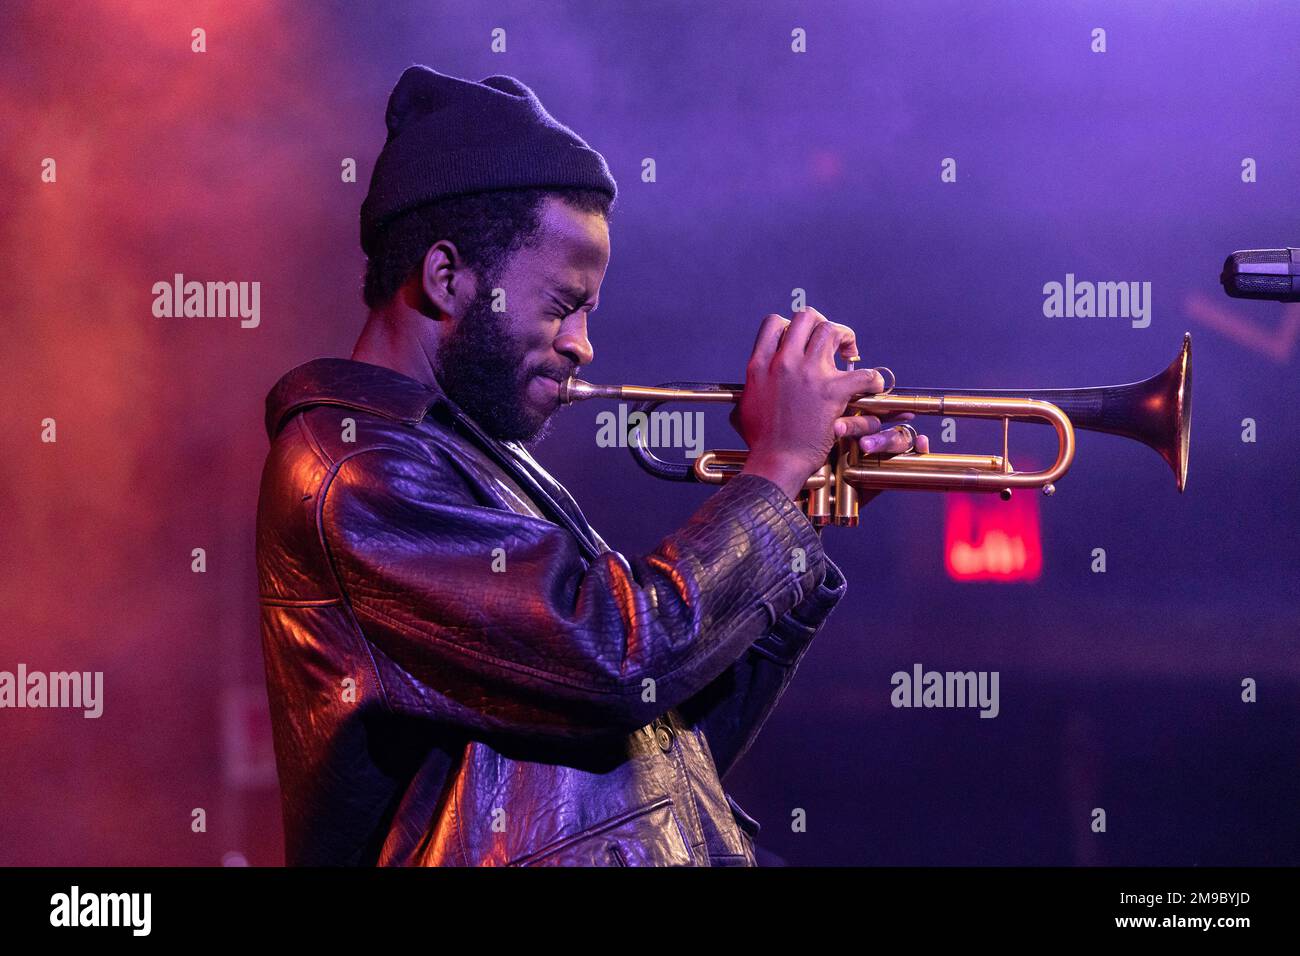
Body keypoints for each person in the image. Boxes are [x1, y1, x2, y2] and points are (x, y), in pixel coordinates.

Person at [255, 65, 927, 866]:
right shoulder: (357, 470)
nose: (582, 345)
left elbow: (659, 744)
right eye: (561, 306)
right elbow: (614, 659)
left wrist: (798, 524)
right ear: (446, 279)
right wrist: (777, 466)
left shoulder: (486, 466)